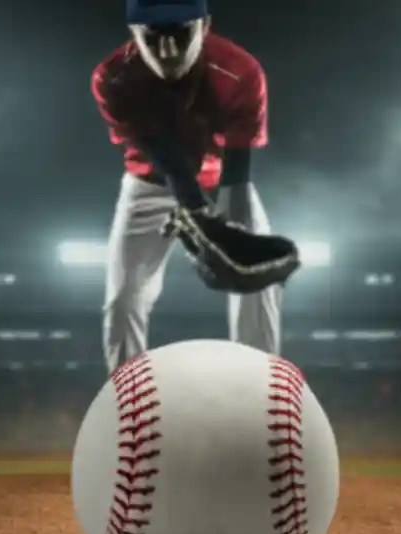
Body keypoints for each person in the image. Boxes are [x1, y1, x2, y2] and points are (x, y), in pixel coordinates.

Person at [92, 0, 280, 373]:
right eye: (152, 36)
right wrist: (195, 210)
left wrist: (227, 230)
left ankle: (257, 384)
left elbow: (237, 167)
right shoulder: (113, 77)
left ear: (205, 25)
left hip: (222, 181)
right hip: (149, 182)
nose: (167, 50)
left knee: (256, 277)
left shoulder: (241, 70)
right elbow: (164, 156)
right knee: (123, 297)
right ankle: (128, 396)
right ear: (133, 33)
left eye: (180, 34)